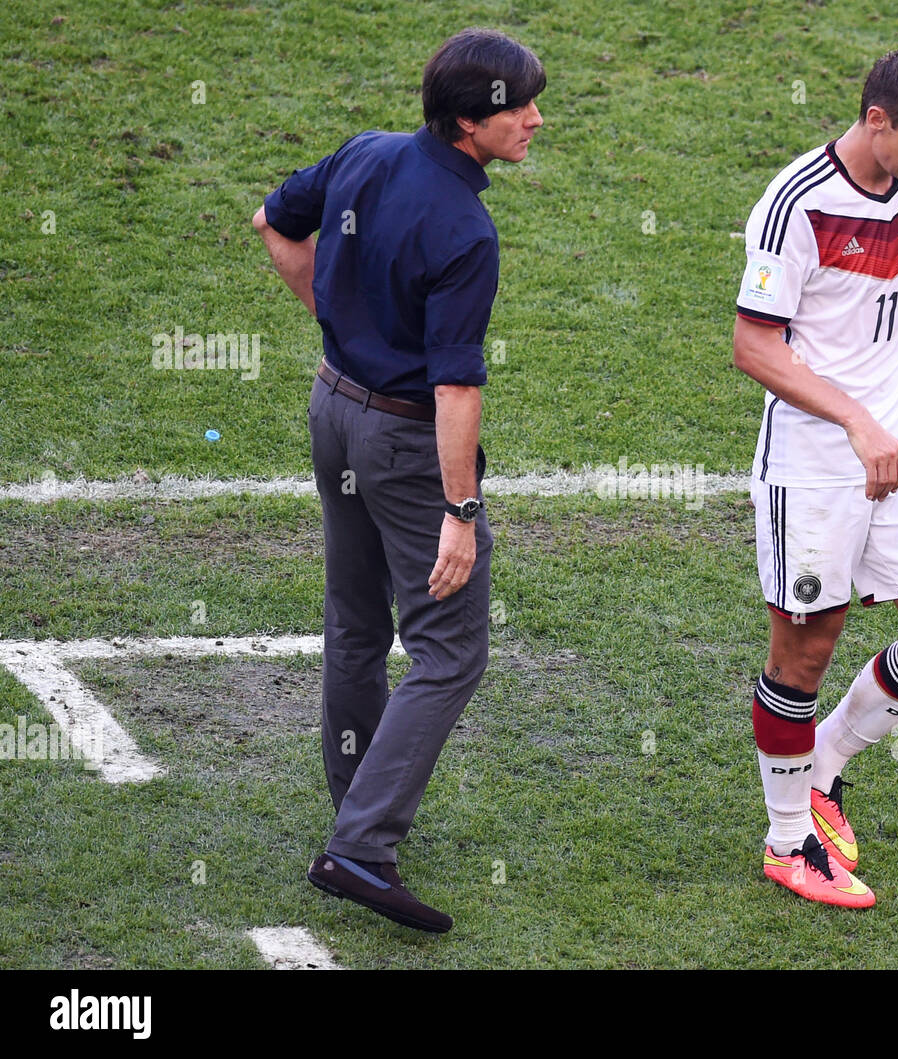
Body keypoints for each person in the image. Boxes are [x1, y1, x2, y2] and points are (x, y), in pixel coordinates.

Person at [251, 28, 545, 933]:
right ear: (469, 123)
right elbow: (456, 386)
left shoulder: (365, 155)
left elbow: (273, 221)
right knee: (451, 650)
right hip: (406, 443)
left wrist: (337, 323)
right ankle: (360, 846)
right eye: (517, 108)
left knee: (355, 619)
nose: (535, 120)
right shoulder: (465, 229)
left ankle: (356, 798)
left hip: (335, 407)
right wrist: (460, 509)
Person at [732, 45, 898, 908]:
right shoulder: (793, 205)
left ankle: (827, 762)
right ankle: (786, 840)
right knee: (805, 650)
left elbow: (886, 301)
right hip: (817, 458)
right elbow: (753, 346)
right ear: (876, 120)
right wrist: (856, 416)